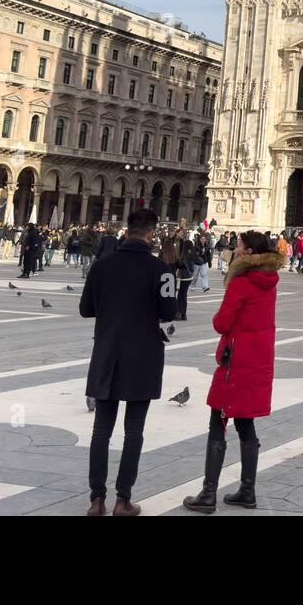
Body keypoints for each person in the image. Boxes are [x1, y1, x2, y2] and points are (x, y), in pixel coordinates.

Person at [79, 208, 177, 516]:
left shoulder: (101, 266)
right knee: (134, 430)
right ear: (152, 233)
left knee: (100, 431)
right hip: (143, 356)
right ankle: (123, 500)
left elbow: (85, 309)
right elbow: (168, 312)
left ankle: (96, 500)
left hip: (107, 352)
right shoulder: (162, 269)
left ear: (126, 230)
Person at [183, 230, 281, 513]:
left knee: (219, 421)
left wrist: (218, 314)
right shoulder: (270, 282)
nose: (235, 249)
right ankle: (247, 491)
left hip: (236, 362)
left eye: (238, 246)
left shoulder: (241, 283)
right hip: (258, 361)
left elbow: (222, 323)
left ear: (249, 252)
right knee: (245, 423)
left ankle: (208, 495)